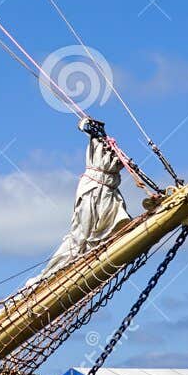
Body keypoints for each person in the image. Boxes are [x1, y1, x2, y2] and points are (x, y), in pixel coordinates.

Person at [40, 116, 129, 280]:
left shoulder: (108, 190)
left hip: (102, 189)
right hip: (93, 188)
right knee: (80, 238)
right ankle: (50, 277)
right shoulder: (94, 184)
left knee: (103, 231)